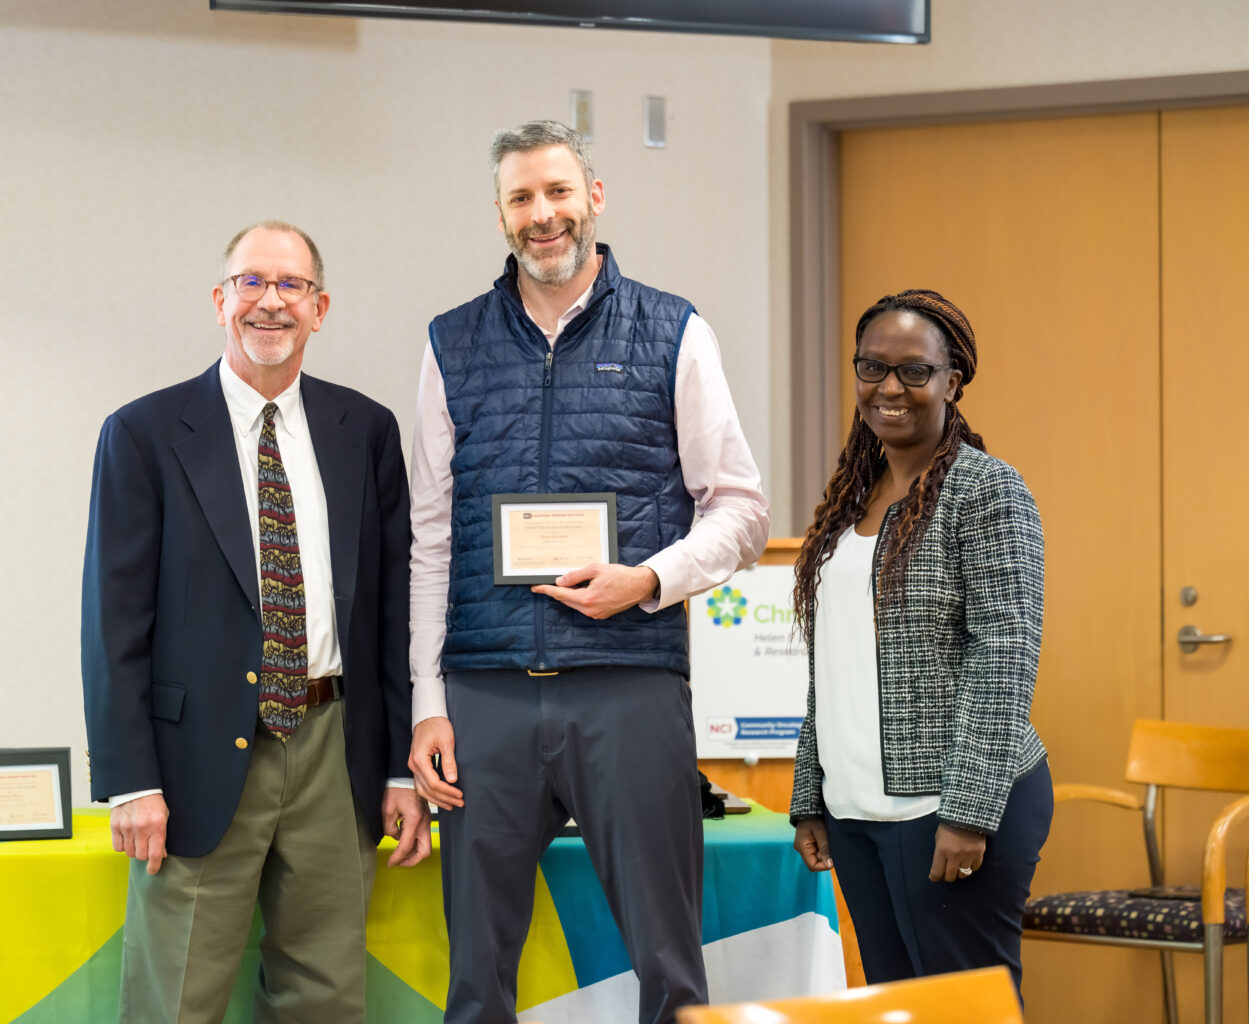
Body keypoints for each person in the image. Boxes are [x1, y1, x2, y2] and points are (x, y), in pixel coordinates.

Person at [407, 120, 770, 1024]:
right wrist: (426, 700)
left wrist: (646, 580)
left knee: (668, 964)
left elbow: (742, 510)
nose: (543, 215)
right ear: (500, 214)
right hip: (484, 694)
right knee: (476, 973)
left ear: (594, 198)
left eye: (558, 192)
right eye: (522, 198)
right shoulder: (450, 343)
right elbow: (431, 535)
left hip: (629, 686)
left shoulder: (675, 330)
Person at [81, 220, 431, 1024]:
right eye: (252, 282)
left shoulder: (365, 433)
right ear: (219, 300)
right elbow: (112, 622)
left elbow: (391, 610)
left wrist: (400, 768)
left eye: (292, 286)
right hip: (194, 758)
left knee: (325, 998)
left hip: (334, 749)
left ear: (320, 308)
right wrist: (132, 779)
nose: (270, 301)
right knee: (179, 1001)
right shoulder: (142, 434)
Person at [788, 289, 1051, 994]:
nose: (890, 388)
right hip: (856, 812)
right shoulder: (852, 498)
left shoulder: (987, 491)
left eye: (914, 370)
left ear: (951, 380)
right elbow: (831, 668)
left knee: (964, 1007)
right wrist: (810, 793)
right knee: (896, 1004)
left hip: (948, 807)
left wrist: (968, 813)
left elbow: (1004, 654)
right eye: (872, 367)